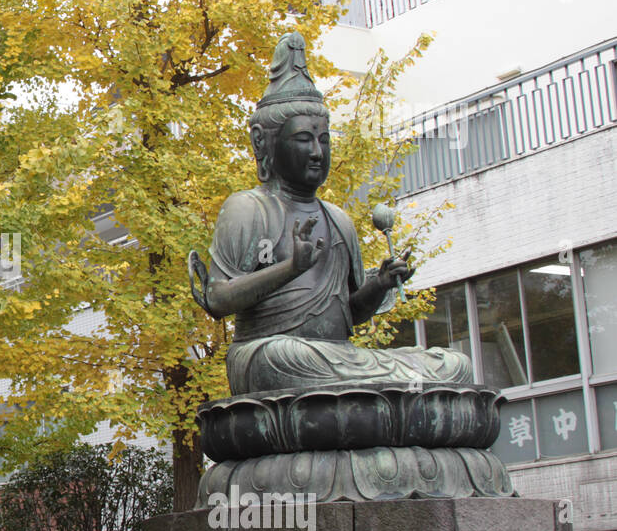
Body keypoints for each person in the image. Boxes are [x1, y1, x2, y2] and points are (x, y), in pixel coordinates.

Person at [191, 32, 470, 396]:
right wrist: (290, 268)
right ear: (266, 143)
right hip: (274, 357)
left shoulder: (338, 219)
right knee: (280, 355)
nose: (317, 152)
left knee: (452, 365)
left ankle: (374, 391)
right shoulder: (248, 208)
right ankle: (370, 392)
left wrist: (379, 284)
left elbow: (349, 313)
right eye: (304, 139)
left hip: (338, 358)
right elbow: (218, 299)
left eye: (324, 140)